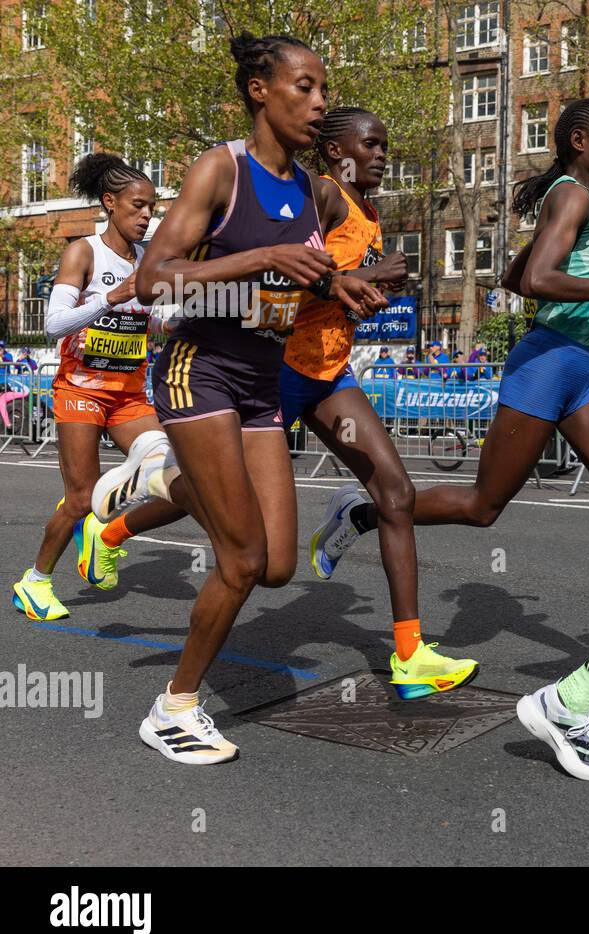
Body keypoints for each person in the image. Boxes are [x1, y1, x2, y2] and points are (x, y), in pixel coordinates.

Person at [317, 98, 589, 780]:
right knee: (482, 506)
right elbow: (542, 283)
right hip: (544, 369)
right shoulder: (572, 196)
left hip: (579, 370)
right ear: (580, 141)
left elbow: (516, 278)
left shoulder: (578, 199)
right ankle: (365, 512)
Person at [91, 32, 387, 764]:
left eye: (324, 91)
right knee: (242, 559)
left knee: (279, 563)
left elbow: (298, 275)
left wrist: (335, 284)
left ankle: (162, 479)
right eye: (304, 88)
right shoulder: (219, 171)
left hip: (262, 379)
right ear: (261, 90)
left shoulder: (317, 192)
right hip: (201, 367)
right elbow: (155, 279)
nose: (319, 104)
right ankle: (174, 708)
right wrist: (259, 257)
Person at [280, 105, 478, 699]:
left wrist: (372, 289)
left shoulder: (369, 210)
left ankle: (411, 655)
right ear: (336, 150)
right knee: (223, 517)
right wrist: (353, 274)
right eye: (371, 144)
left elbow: (344, 296)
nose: (382, 154)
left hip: (330, 374)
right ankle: (115, 525)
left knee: (397, 493)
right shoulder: (322, 192)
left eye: (385, 145)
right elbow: (279, 273)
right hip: (278, 371)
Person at [11, 154, 189, 622]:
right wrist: (112, 296)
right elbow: (53, 324)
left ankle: (107, 534)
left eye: (152, 207)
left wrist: (181, 319)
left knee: (180, 479)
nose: (147, 216)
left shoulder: (150, 259)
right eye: (138, 206)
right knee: (79, 497)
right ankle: (35, 583)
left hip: (129, 394)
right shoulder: (84, 252)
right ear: (110, 203)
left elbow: (156, 325)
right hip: (81, 390)